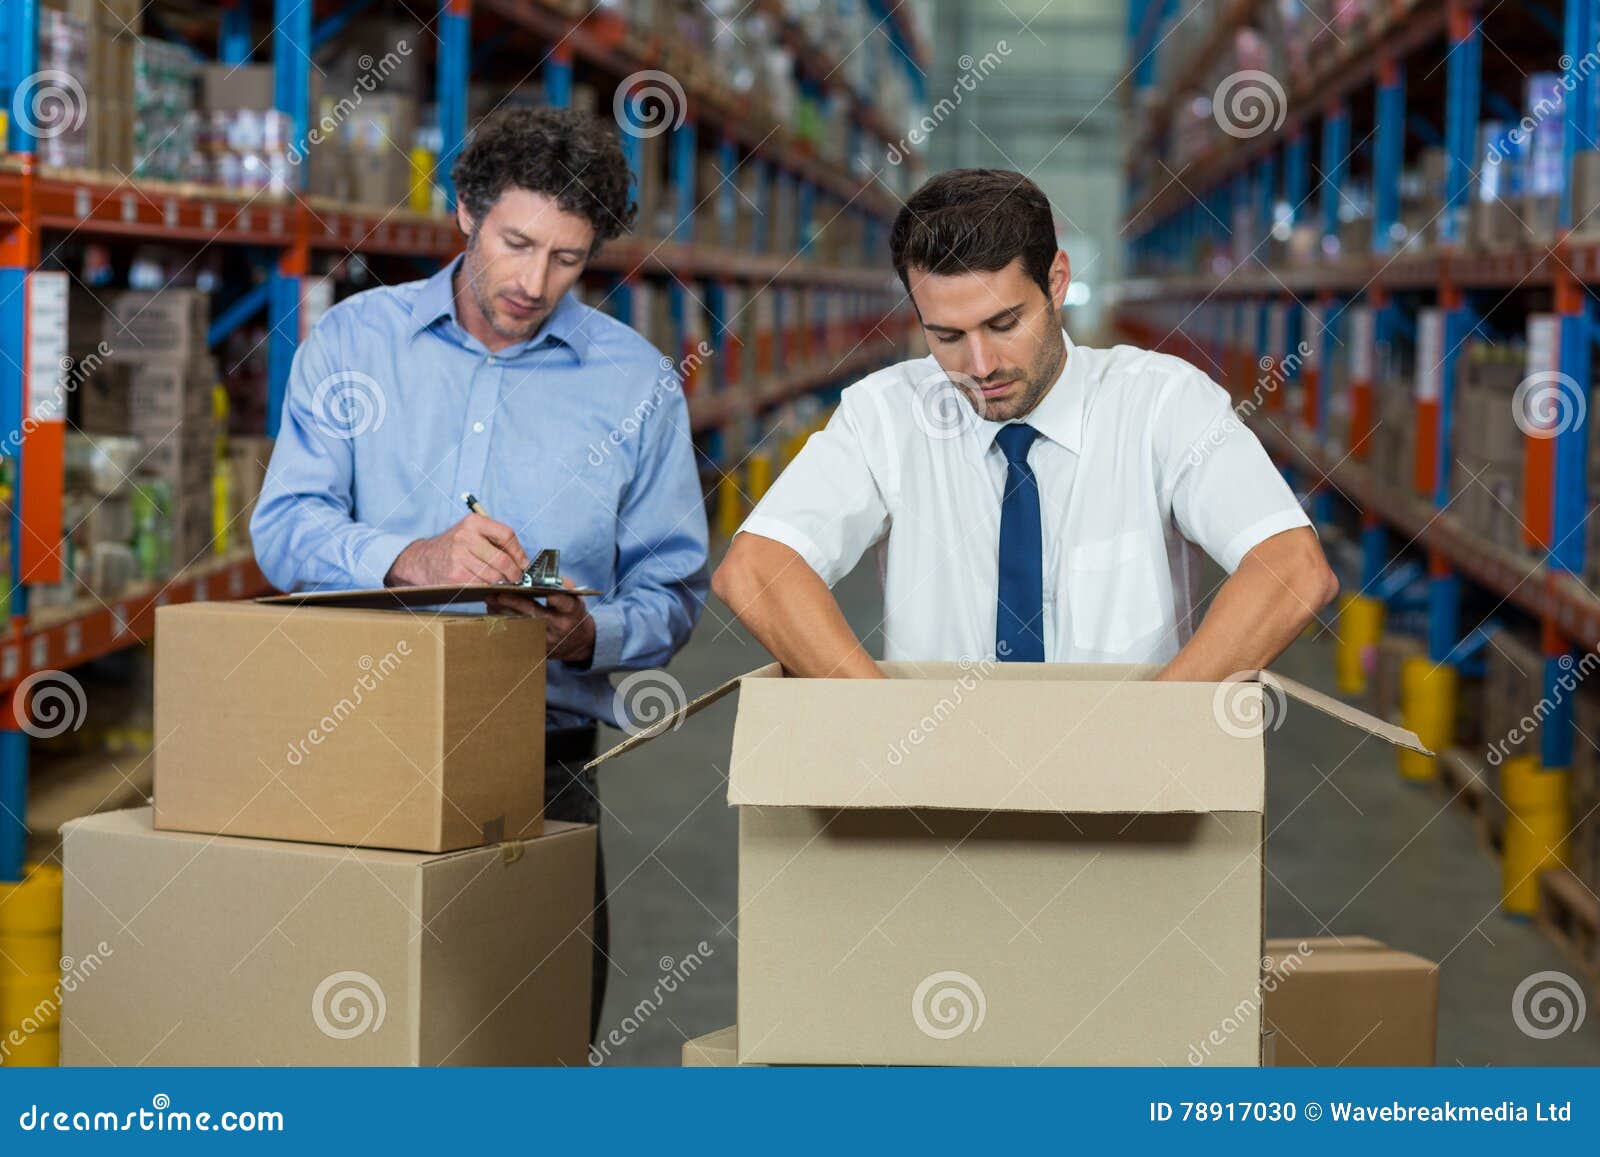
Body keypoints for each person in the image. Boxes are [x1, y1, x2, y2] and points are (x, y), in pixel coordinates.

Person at [251, 107, 709, 1041]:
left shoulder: (637, 383)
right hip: (359, 744)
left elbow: (674, 588)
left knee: (533, 1035)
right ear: (465, 212)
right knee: (350, 1035)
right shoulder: (354, 344)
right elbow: (284, 529)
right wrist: (410, 560)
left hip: (540, 763)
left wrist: (591, 632)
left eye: (569, 259)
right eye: (516, 243)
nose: (534, 283)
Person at [713, 168, 1336, 677]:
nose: (979, 366)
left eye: (1004, 324)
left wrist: (1152, 739)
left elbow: (1292, 569)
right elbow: (757, 569)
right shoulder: (885, 415)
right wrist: (881, 732)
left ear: (1057, 282)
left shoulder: (1162, 403)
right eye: (947, 335)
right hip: (939, 781)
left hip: (1124, 789)